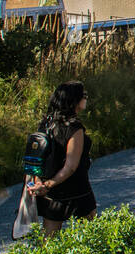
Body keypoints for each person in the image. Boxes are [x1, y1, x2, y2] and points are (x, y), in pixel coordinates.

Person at [27, 82, 97, 235]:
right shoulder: (74, 128)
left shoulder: (46, 123)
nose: (86, 98)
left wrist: (42, 184)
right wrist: (49, 184)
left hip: (50, 191)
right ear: (75, 100)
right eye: (84, 95)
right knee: (91, 235)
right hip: (76, 188)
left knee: (49, 238)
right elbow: (71, 166)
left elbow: (38, 156)